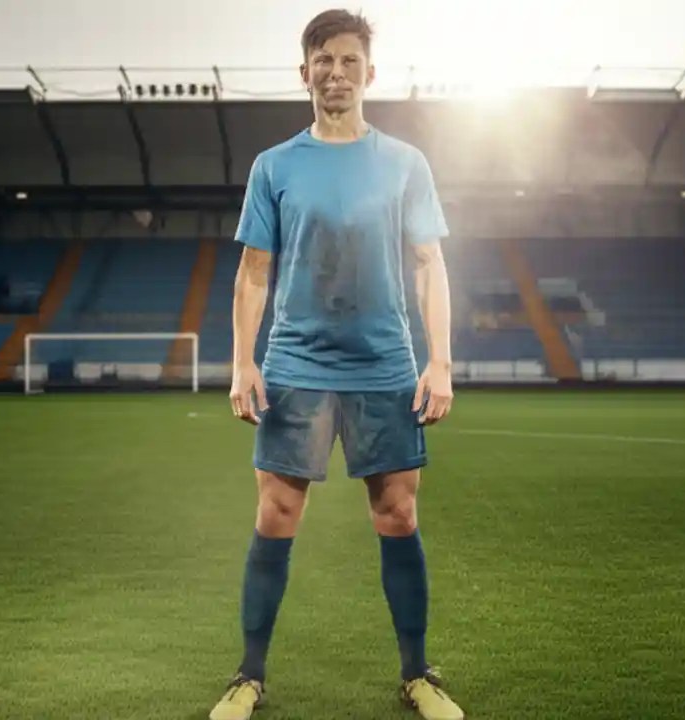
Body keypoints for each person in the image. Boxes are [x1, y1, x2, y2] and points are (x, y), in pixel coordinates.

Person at [209, 9, 463, 720]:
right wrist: (242, 363)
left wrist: (439, 361)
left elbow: (428, 264)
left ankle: (418, 675)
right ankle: (248, 676)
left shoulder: (406, 164)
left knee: (399, 514)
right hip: (295, 365)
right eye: (324, 60)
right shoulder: (276, 166)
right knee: (277, 511)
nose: (337, 73)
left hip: (385, 365)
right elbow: (252, 273)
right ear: (305, 73)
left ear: (369, 74)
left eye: (350, 61)